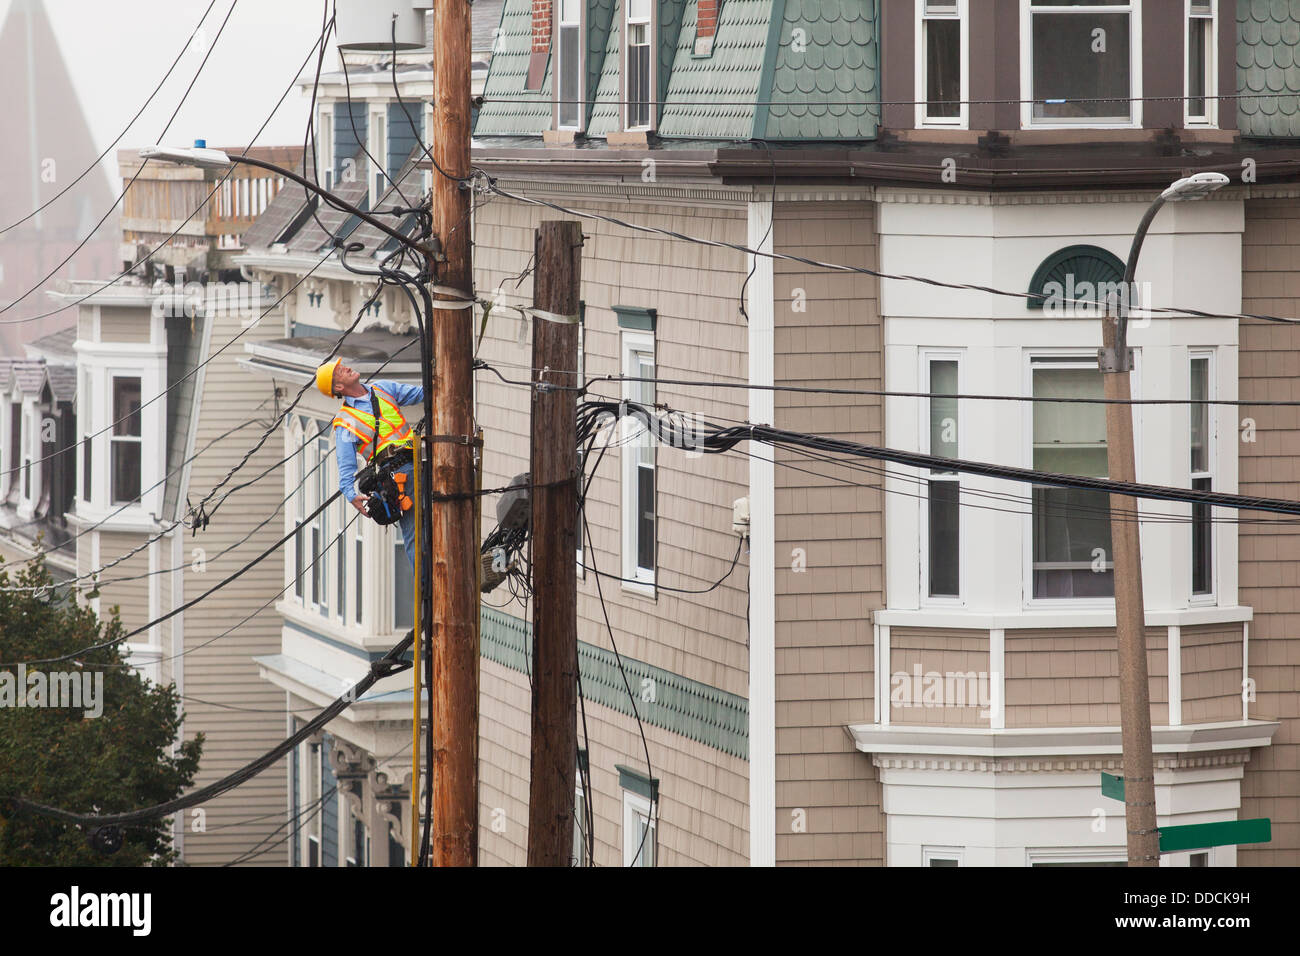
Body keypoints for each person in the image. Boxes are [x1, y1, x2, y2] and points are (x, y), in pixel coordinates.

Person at [316, 358, 424, 566]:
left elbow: (422, 394)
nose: (345, 367)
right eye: (339, 371)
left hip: (422, 459)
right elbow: (346, 464)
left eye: (341, 365)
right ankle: (427, 591)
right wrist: (350, 494)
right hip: (398, 471)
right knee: (416, 533)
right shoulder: (345, 422)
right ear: (339, 387)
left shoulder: (382, 389)